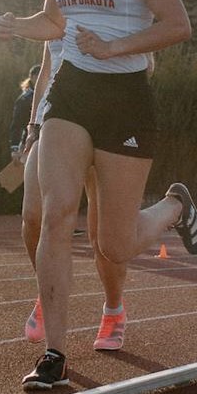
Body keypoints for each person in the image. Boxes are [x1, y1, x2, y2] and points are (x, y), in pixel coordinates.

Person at [0, 0, 197, 391]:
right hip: (72, 94)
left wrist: (114, 47)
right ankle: (55, 353)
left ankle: (175, 206)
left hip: (126, 100)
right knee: (56, 211)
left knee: (114, 245)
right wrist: (20, 26)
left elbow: (177, 25)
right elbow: (55, 22)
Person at [16, 41, 123, 351]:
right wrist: (33, 124)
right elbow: (47, 70)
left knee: (101, 235)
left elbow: (145, 64)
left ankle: (114, 310)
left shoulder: (119, 3)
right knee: (33, 216)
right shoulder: (58, 5)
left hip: (105, 121)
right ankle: (47, 290)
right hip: (54, 120)